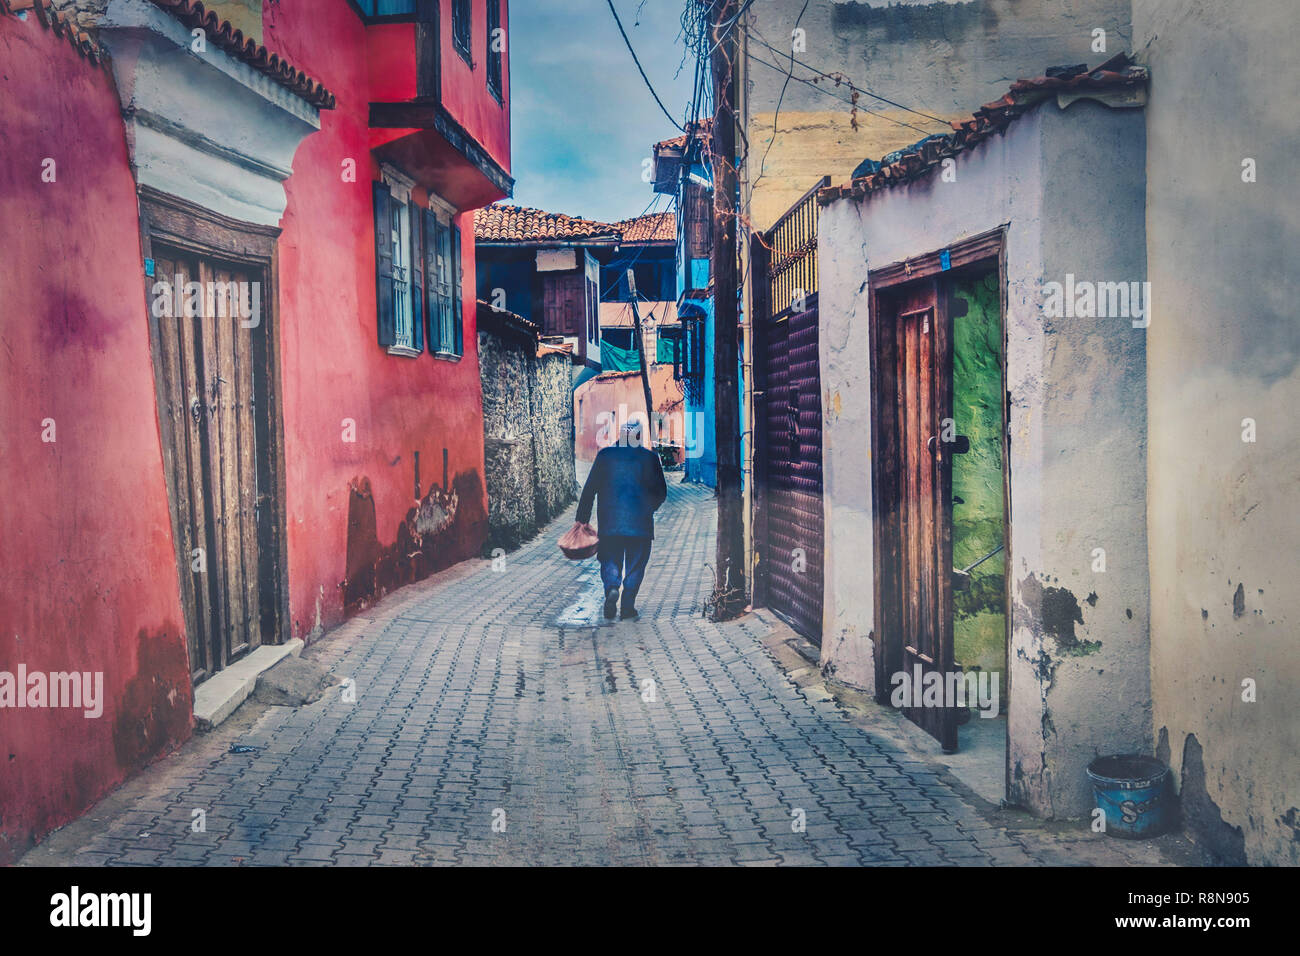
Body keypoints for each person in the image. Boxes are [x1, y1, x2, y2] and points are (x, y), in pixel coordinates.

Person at [575, 421, 668, 621]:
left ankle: (611, 588)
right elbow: (661, 492)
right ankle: (627, 608)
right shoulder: (650, 458)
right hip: (640, 525)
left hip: (610, 524)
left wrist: (581, 519)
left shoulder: (605, 456)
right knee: (636, 565)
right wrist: (648, 509)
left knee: (609, 559)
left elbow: (589, 490)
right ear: (639, 437)